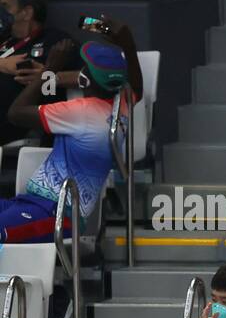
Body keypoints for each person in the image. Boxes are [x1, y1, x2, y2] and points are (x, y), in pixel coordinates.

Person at [2, 18, 140, 245]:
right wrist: (128, 45)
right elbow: (137, 86)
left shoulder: (80, 113)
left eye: (84, 68)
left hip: (56, 216)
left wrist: (51, 67)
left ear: (87, 80)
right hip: (33, 205)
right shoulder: (123, 105)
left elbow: (15, 113)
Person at [0, 0, 77, 144]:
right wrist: (2, 64)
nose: (1, 12)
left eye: (5, 6)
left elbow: (89, 76)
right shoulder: (4, 40)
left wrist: (48, 75)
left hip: (21, 129)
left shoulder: (56, 41)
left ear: (26, 12)